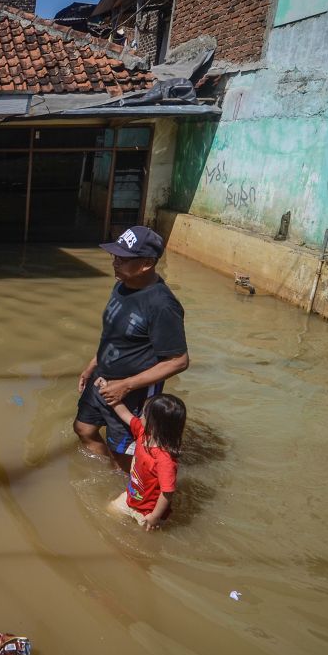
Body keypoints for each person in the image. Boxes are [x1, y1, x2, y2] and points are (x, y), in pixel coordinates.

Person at [75, 226, 189, 470]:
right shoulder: (122, 285)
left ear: (147, 264)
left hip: (134, 391)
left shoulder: (162, 305)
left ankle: (128, 482)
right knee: (84, 429)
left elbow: (178, 360)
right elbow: (114, 334)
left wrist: (125, 385)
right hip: (102, 378)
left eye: (122, 259)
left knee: (124, 454)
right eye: (114, 256)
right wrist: (92, 365)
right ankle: (110, 473)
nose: (114, 263)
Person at [98, 388, 185, 531]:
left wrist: (155, 516)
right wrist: (113, 399)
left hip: (149, 510)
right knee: (110, 512)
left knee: (141, 538)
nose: (140, 416)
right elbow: (126, 415)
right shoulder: (143, 432)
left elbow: (167, 492)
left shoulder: (165, 459)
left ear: (154, 424)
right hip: (132, 496)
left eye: (144, 414)